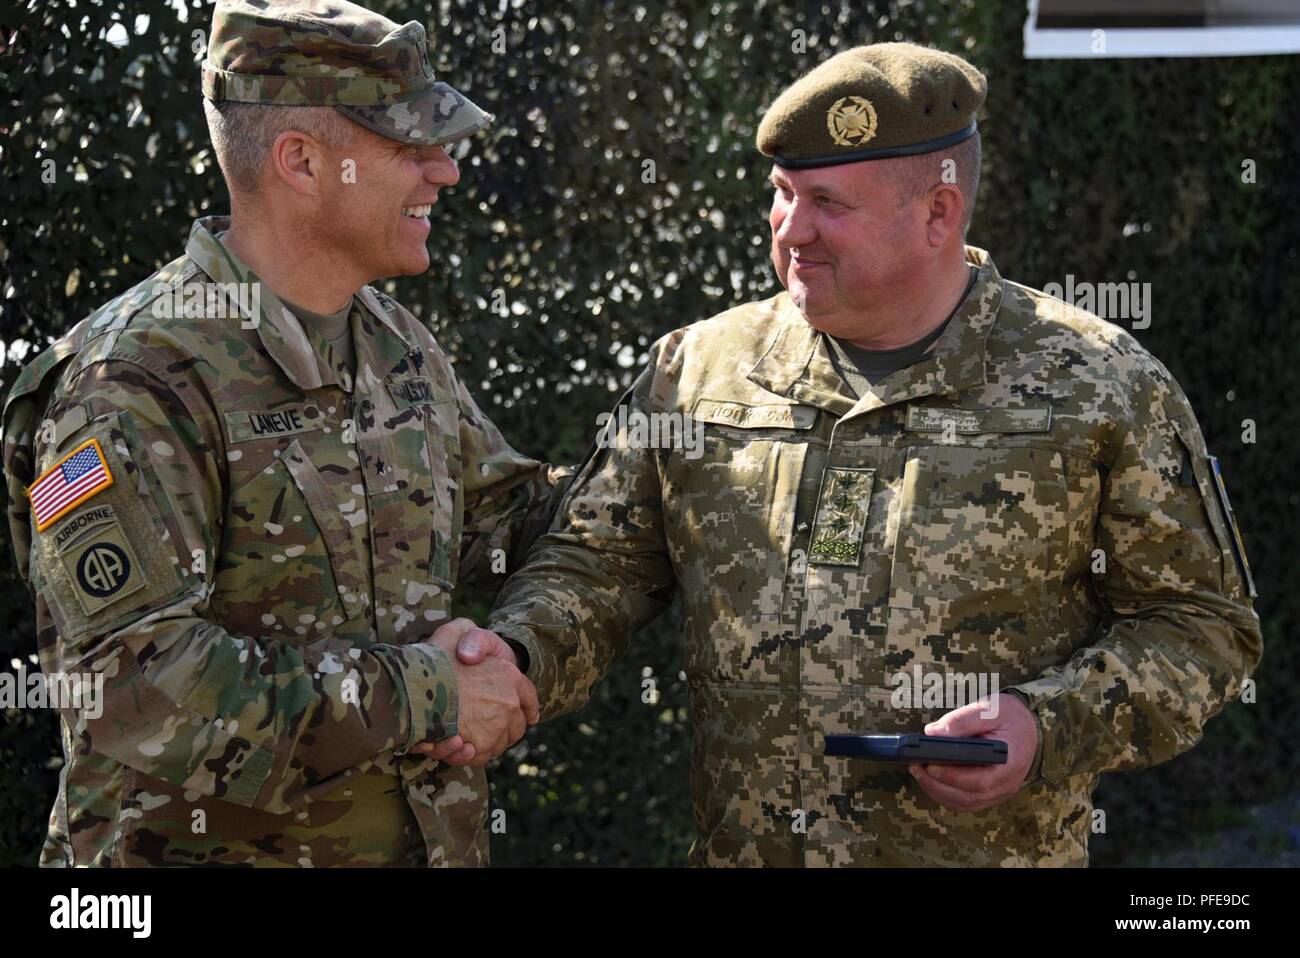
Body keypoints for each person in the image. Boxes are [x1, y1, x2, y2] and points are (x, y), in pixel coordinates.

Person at [463, 42, 1264, 866]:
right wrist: (517, 654)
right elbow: (597, 563)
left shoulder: (1098, 385)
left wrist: (1044, 723)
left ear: (938, 215)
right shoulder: (698, 372)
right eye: (781, 195)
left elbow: (1202, 629)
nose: (791, 229)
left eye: (827, 203)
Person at [2, 0, 557, 867]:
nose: (443, 171)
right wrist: (431, 694)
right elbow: (137, 691)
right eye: (411, 144)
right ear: (302, 163)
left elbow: (519, 528)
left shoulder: (396, 345)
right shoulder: (130, 382)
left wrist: (690, 475)